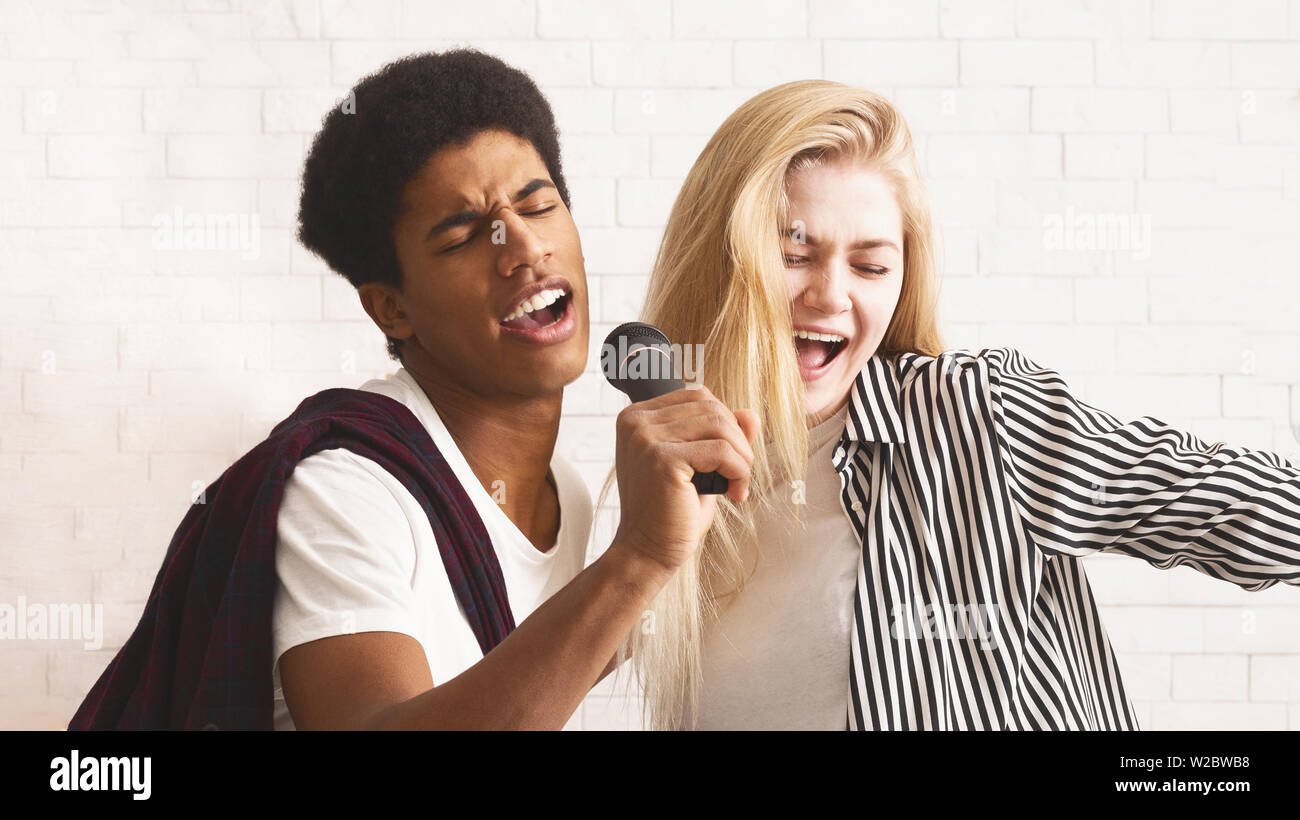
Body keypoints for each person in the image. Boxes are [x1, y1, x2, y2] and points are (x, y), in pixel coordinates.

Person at [69, 49, 757, 731]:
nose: (523, 248)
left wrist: (669, 572)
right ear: (392, 308)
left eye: (538, 205)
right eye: (463, 237)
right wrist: (634, 562)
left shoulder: (564, 493)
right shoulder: (345, 494)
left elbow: (513, 678)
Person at [618, 79, 1300, 730]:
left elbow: (1241, 505)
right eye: (795, 252)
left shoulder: (977, 421)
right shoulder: (673, 491)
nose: (831, 294)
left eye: (871, 265)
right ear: (723, 261)